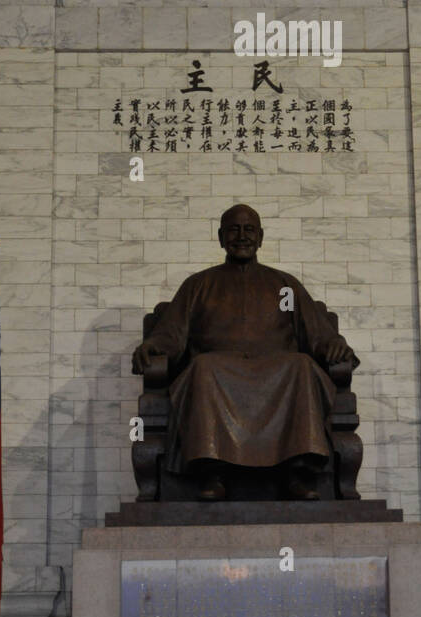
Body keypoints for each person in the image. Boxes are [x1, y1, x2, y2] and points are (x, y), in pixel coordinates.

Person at [132, 203, 357, 500]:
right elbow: (172, 333)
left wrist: (333, 345)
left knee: (301, 366)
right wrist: (153, 346)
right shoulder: (199, 285)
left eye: (249, 229)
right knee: (203, 367)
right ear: (220, 237)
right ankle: (213, 473)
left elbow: (313, 332)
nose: (241, 236)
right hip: (218, 372)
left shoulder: (284, 287)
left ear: (261, 237)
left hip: (279, 372)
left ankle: (296, 473)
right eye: (233, 230)